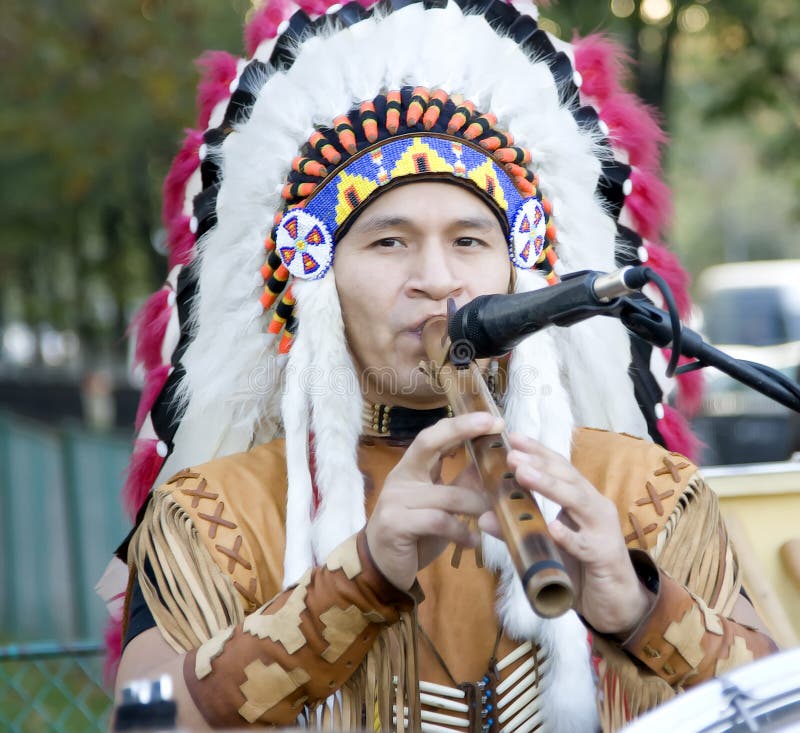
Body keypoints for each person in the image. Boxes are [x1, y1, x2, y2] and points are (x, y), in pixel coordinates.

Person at [111, 2, 777, 730]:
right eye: (388, 243)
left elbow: (780, 703)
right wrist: (356, 578)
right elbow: (147, 721)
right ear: (316, 283)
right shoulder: (214, 517)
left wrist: (639, 605)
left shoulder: (642, 491)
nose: (437, 280)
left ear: (518, 274)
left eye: (468, 241)